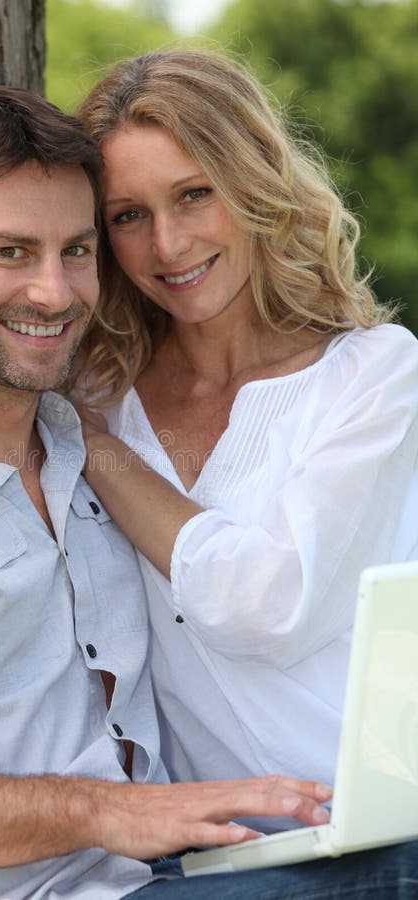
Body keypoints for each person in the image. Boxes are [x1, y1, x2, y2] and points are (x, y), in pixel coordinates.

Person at [0, 82, 402, 900]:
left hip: (184, 875)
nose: (55, 294)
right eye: (10, 252)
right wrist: (106, 810)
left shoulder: (88, 447)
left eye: (77, 250)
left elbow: (260, 606)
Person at [75, 48, 418, 819]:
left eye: (195, 195)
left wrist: (96, 450)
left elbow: (273, 606)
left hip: (382, 831)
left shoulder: (371, 376)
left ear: (253, 181)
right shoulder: (96, 393)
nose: (168, 245)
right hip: (206, 857)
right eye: (129, 216)